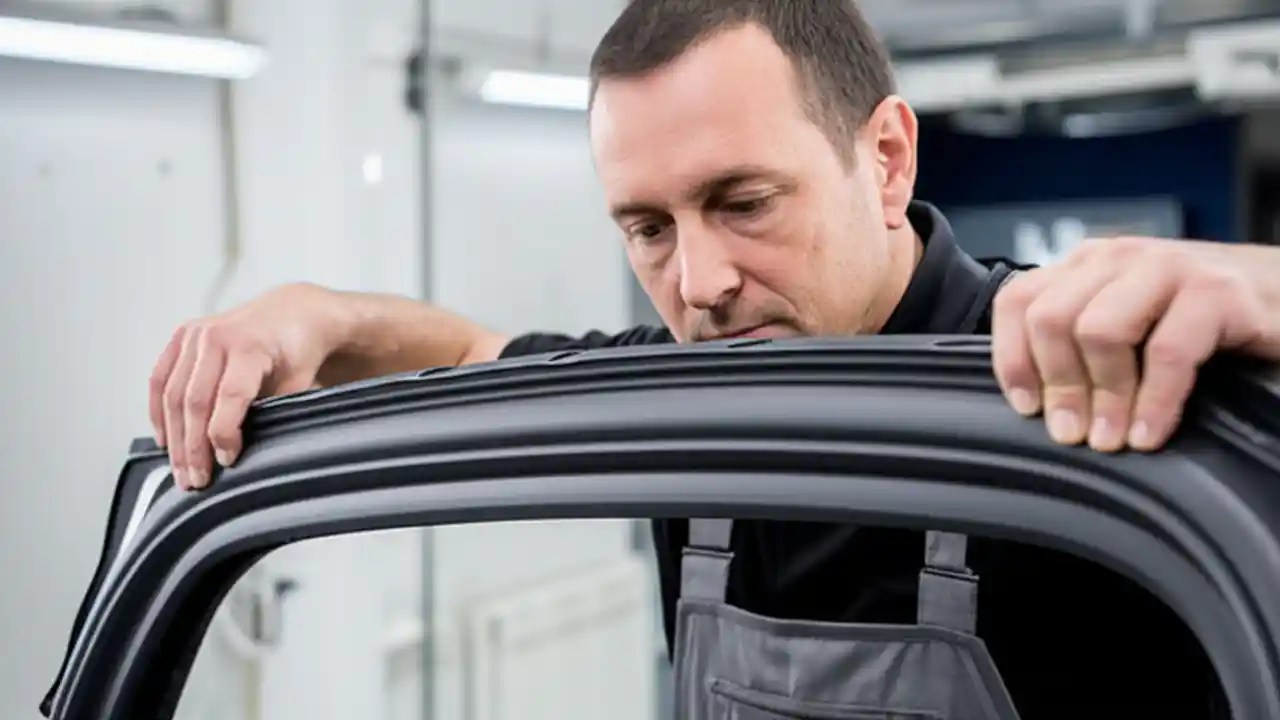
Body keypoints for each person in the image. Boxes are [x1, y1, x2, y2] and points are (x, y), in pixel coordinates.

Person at [148, 1, 1279, 716]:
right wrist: (311, 315)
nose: (698, 283)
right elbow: (471, 353)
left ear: (886, 160)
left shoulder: (1084, 380)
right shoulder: (679, 398)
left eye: (743, 203)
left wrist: (1265, 293)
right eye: (648, 228)